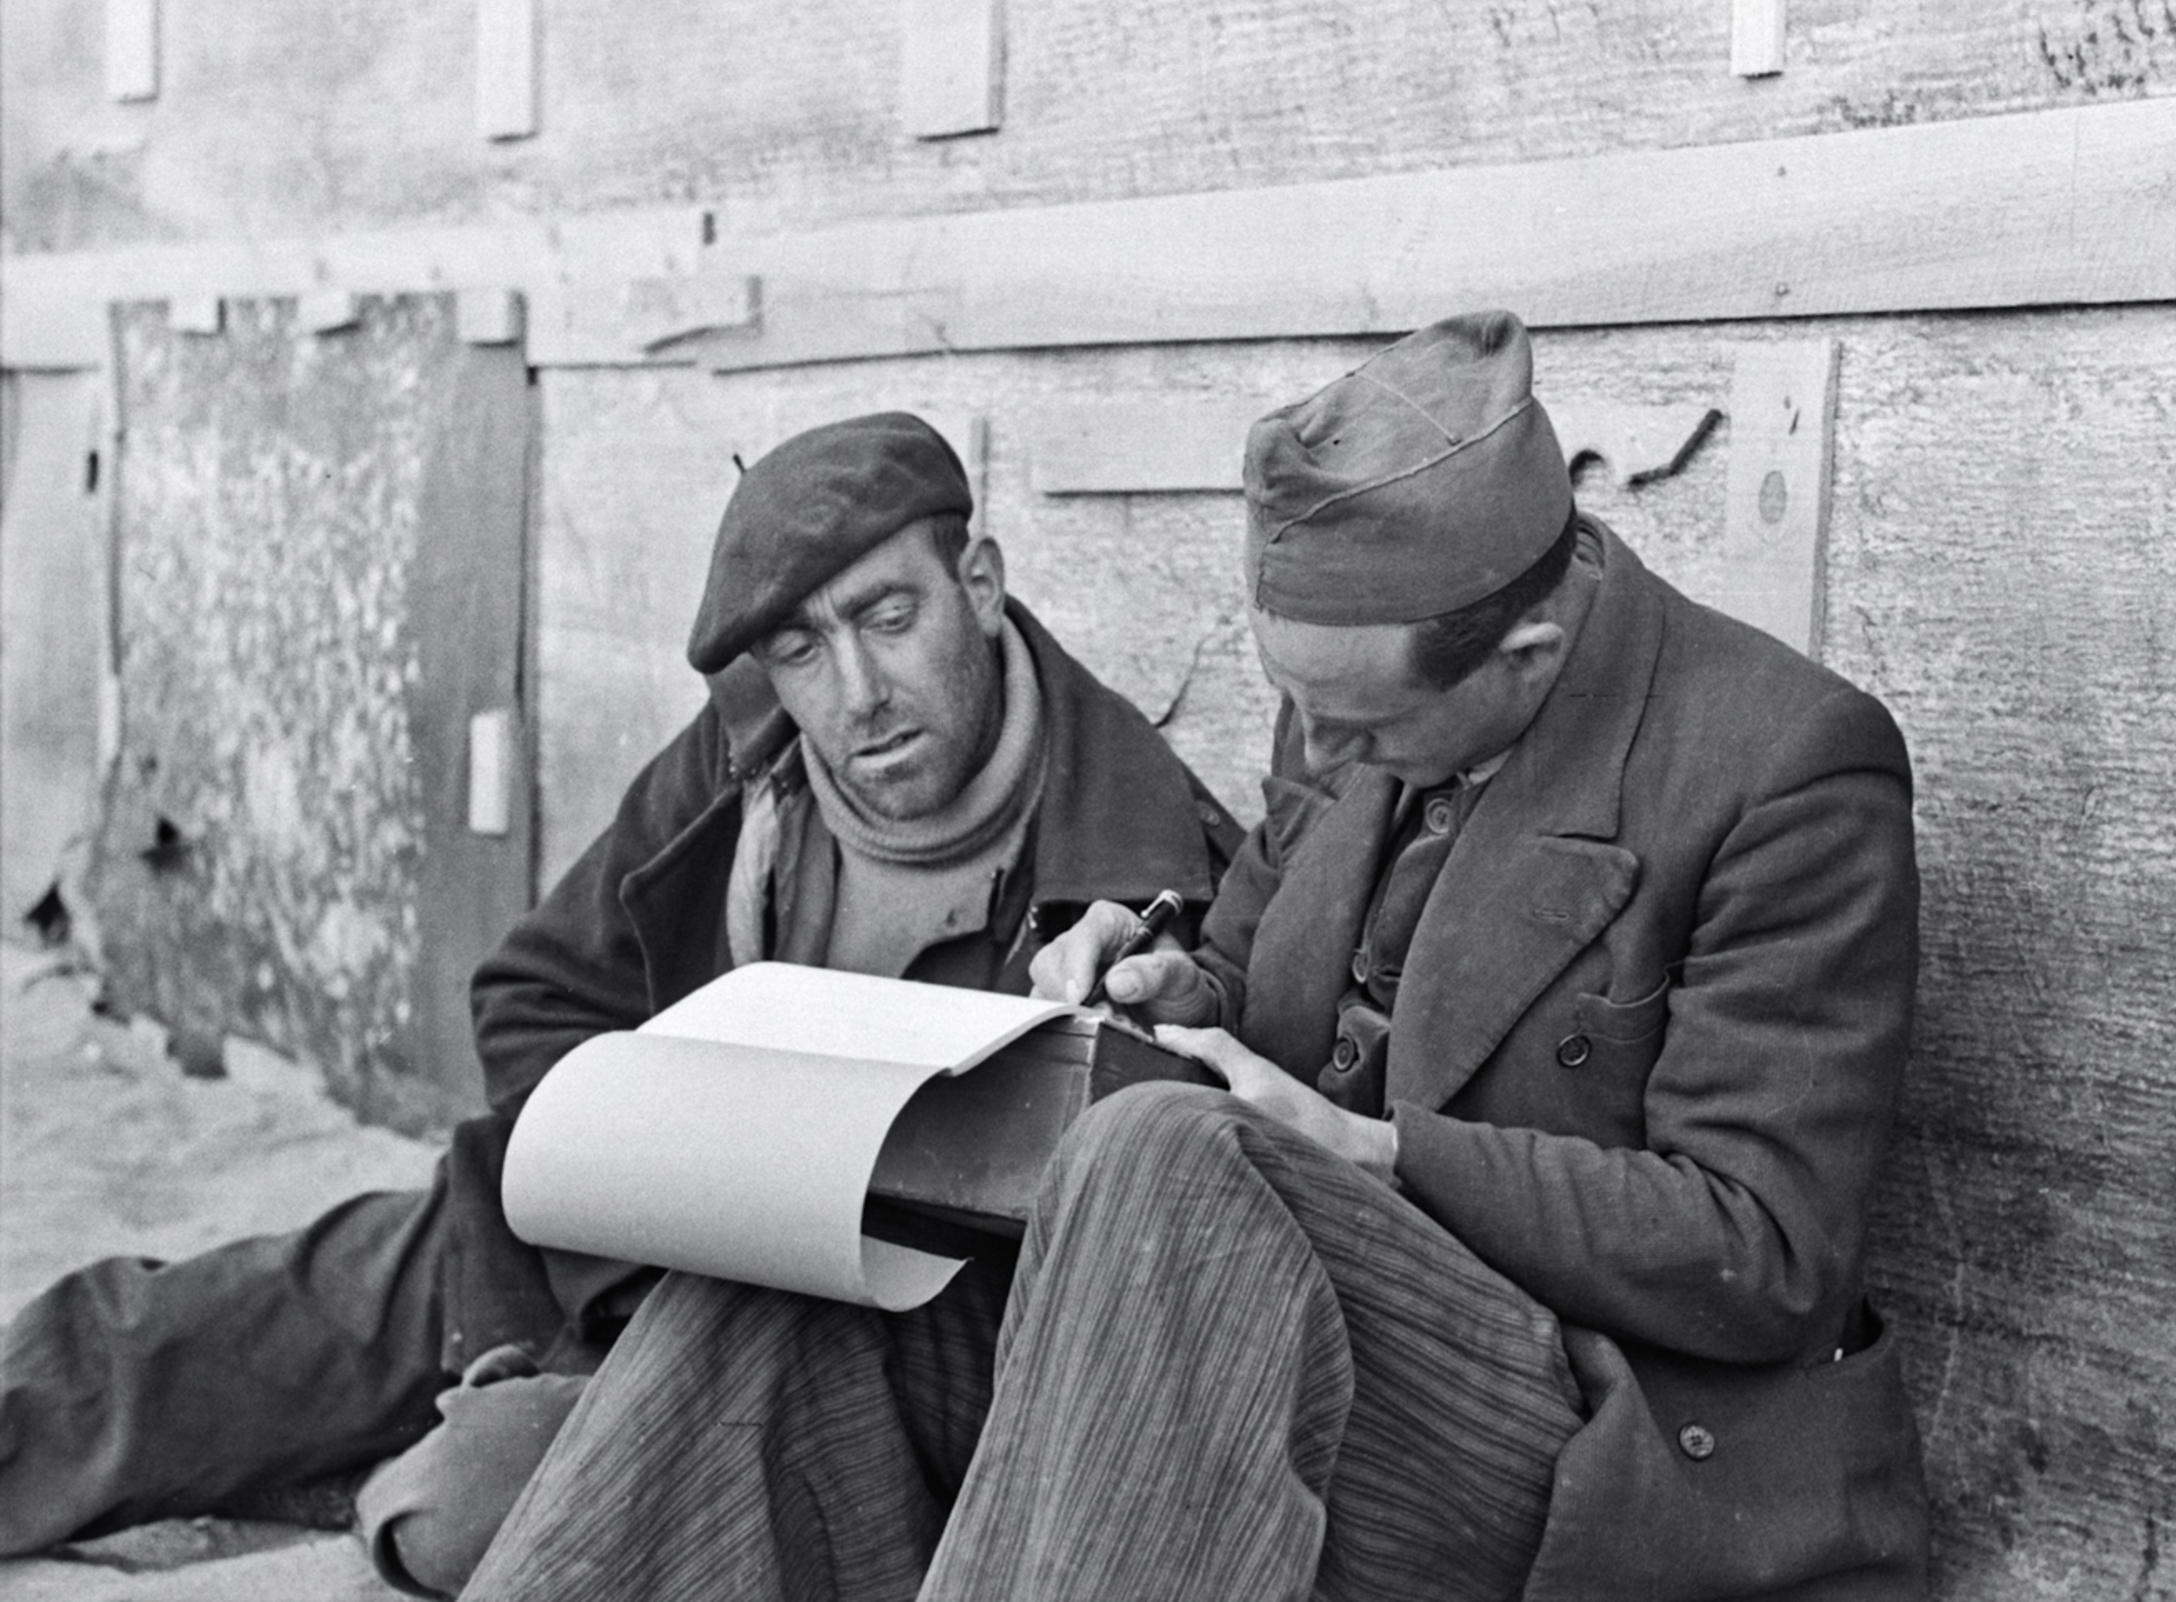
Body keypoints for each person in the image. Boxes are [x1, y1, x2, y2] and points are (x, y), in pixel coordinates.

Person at [460, 312, 1930, 1601]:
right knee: (812, 1257)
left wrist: (1373, 1151)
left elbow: (1769, 1252)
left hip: (1586, 1427)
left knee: (1168, 1158)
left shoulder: (1782, 766)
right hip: (1278, 1337)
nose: (1325, 754)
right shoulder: (1349, 683)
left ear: (1526, 660)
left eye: (1359, 731)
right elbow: (1249, 967)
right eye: (1300, 712)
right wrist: (1162, 971)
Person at [0, 413, 1242, 1596]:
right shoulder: (747, 757)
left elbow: (1136, 1267)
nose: (856, 691)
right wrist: (648, 1165)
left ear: (977, 580)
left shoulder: (1142, 872)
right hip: (620, 1235)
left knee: (462, 1512)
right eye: (802, 648)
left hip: (816, 1344)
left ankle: (431, 1442)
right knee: (191, 1334)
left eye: (889, 615)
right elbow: (536, 995)